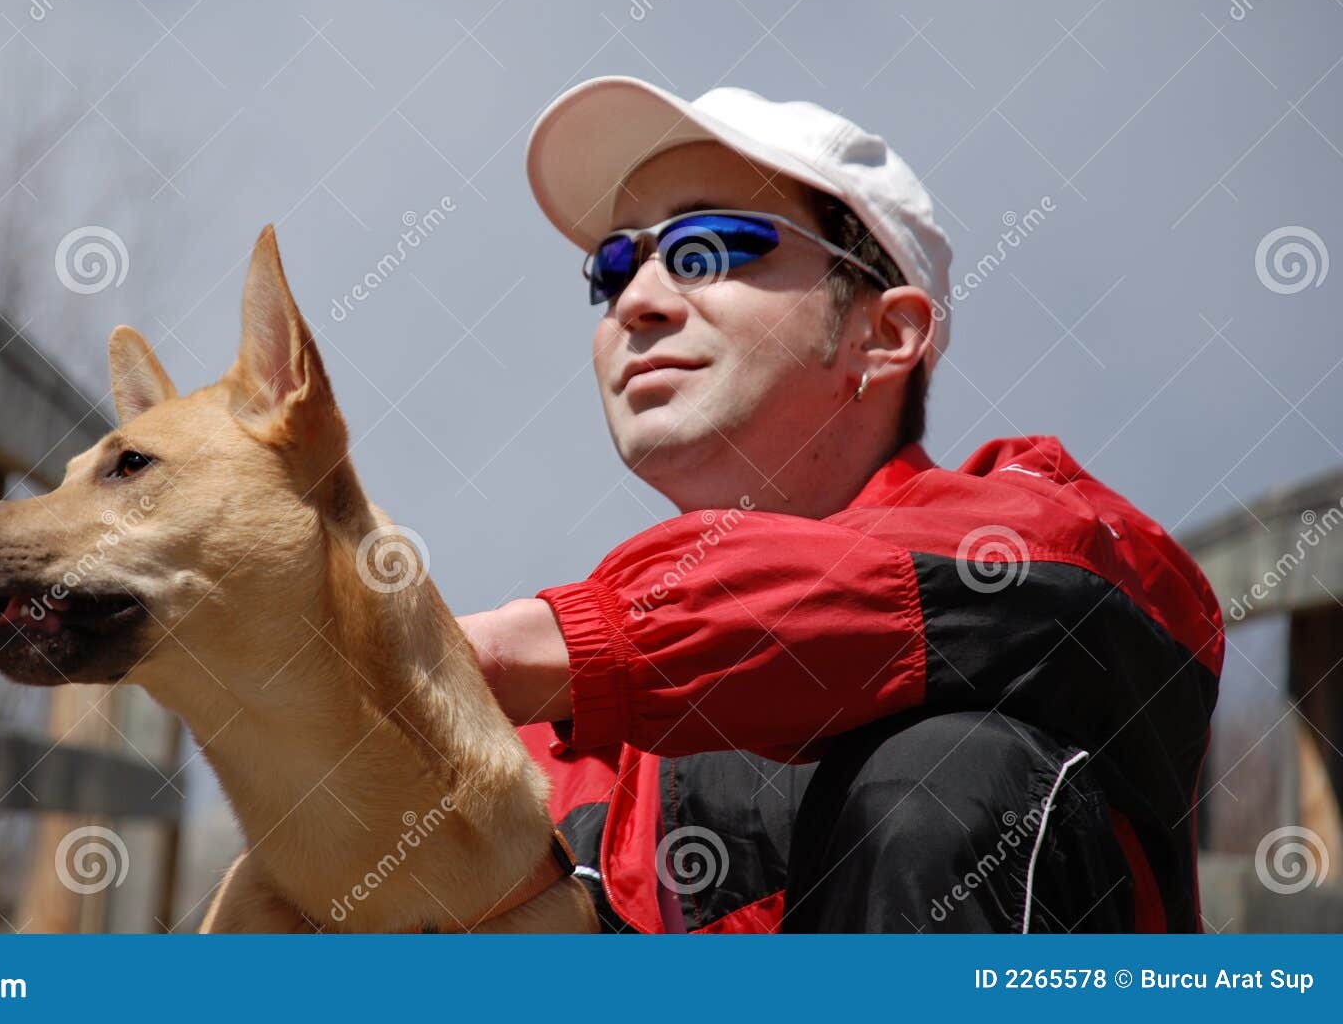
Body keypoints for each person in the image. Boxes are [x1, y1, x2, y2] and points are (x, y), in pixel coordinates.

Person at [457, 76, 1224, 933]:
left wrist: (550, 646)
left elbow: (1040, 585)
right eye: (613, 265)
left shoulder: (1059, 542)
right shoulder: (555, 755)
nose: (637, 300)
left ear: (885, 332)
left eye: (709, 246)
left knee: (947, 774)